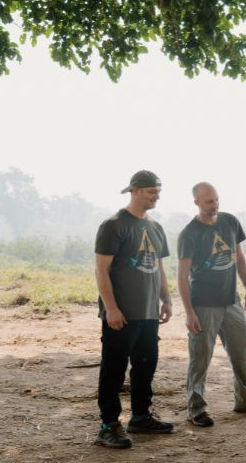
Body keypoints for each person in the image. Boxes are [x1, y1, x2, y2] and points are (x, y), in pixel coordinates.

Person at [177, 182, 246, 428]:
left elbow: (239, 256)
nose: (215, 205)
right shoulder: (190, 233)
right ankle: (196, 408)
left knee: (242, 350)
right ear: (197, 202)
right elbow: (182, 275)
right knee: (201, 357)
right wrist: (189, 312)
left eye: (217, 199)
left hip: (232, 301)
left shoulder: (230, 222)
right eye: (209, 201)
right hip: (203, 304)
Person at [93, 170, 174, 449]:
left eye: (158, 192)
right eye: (152, 192)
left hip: (149, 312)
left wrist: (167, 299)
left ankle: (140, 417)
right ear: (135, 191)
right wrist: (111, 308)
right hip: (121, 314)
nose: (157, 197)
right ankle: (108, 425)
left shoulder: (155, 227)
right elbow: (101, 270)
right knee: (114, 369)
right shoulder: (114, 225)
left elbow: (159, 267)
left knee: (145, 366)